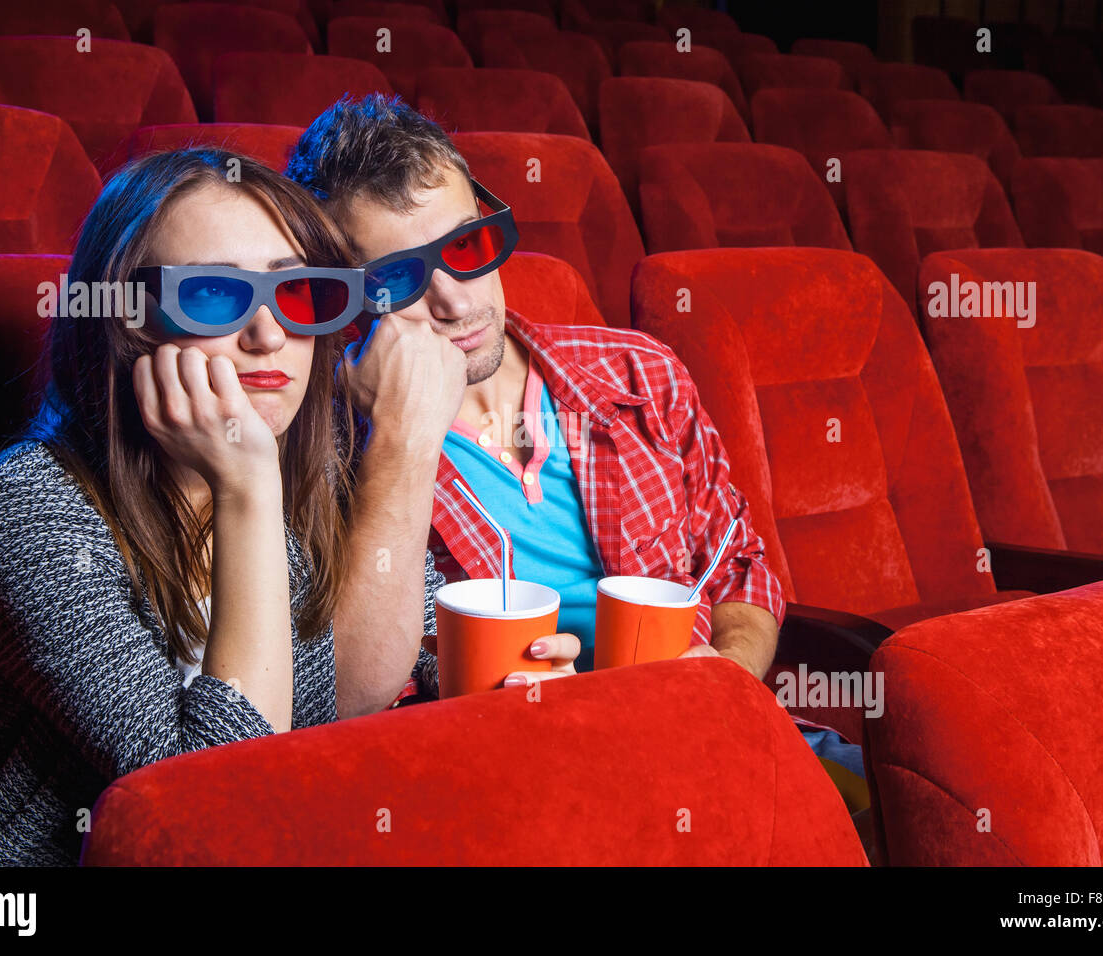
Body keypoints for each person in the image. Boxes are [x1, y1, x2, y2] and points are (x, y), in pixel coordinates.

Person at [0, 147, 575, 867]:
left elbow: (420, 654)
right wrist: (245, 487)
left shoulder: (316, 487)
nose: (269, 336)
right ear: (124, 322)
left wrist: (513, 682)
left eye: (298, 294)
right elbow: (210, 803)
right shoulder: (23, 509)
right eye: (216, 294)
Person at [285, 94, 870, 804]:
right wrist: (400, 444)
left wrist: (721, 676)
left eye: (466, 248)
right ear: (346, 296)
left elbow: (741, 568)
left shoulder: (640, 374)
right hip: (526, 782)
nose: (456, 303)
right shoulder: (322, 453)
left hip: (718, 728)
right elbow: (350, 703)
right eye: (398, 279)